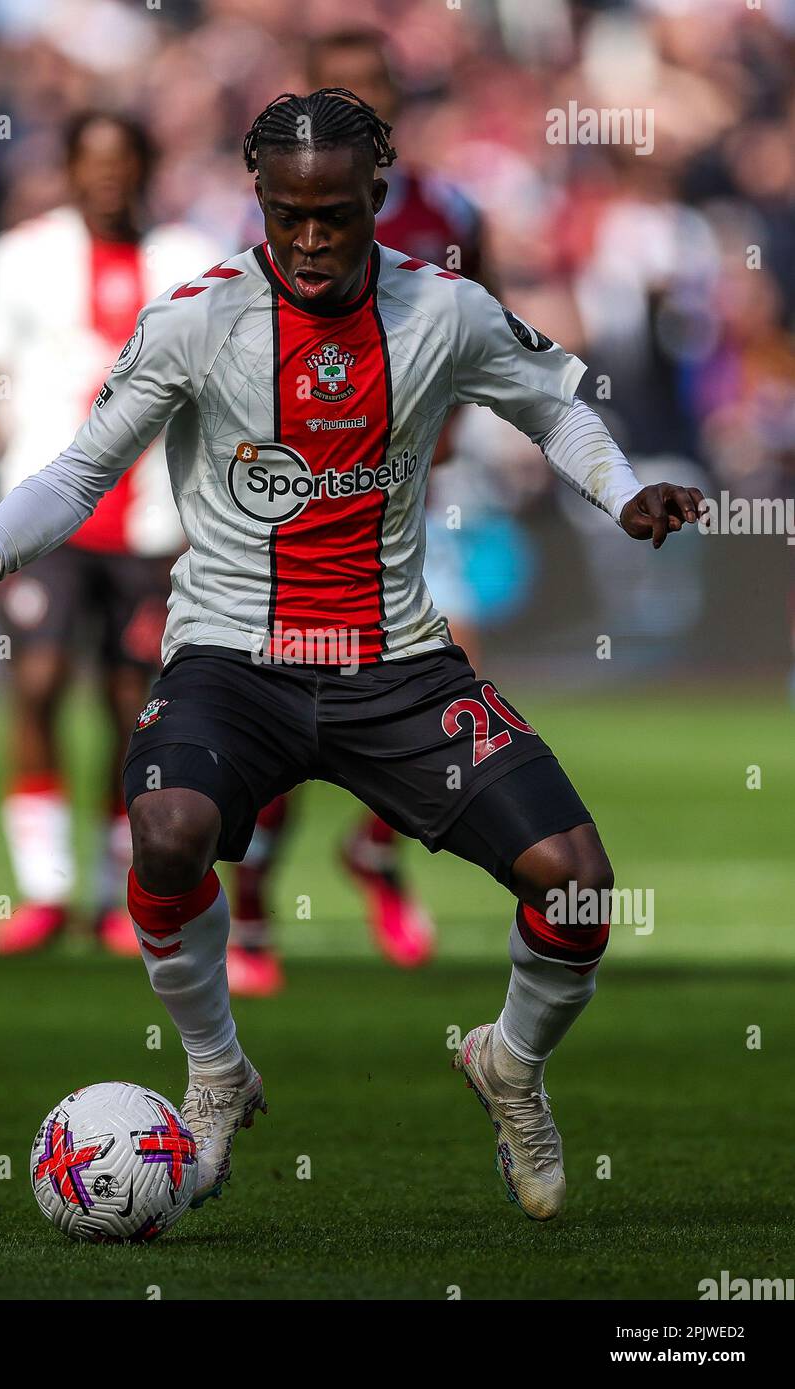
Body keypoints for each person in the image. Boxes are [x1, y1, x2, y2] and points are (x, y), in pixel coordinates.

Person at [0, 89, 704, 1222]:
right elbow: (79, 471)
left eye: (335, 213)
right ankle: (217, 1072)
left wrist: (624, 494)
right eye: (289, 216)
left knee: (578, 890)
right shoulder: (197, 319)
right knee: (169, 833)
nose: (313, 239)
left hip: (399, 661)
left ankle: (510, 1066)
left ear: (377, 196)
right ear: (260, 204)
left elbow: (556, 409)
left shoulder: (448, 310)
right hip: (233, 658)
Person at [229, 30, 497, 995]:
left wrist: (459, 421)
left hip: (422, 472)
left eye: (373, 95)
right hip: (311, 480)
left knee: (448, 659)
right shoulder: (281, 211)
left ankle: (377, 848)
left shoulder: (447, 209)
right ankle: (253, 913)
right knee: (292, 690)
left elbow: (482, 317)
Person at [0, 110, 216, 955]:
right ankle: (43, 889)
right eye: (91, 160)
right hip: (46, 513)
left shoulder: (188, 258)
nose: (107, 176)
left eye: (122, 159)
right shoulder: (22, 255)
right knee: (35, 680)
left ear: (144, 164)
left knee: (131, 705)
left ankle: (113, 891)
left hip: (152, 521)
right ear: (68, 167)